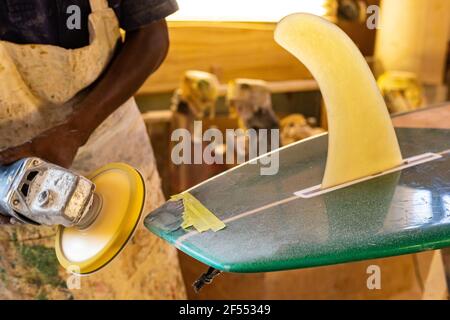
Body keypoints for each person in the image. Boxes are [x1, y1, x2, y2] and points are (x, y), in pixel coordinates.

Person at [0, 0, 186, 299]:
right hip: (9, 173)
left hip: (110, 147)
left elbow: (153, 37)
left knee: (138, 283)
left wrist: (74, 131)